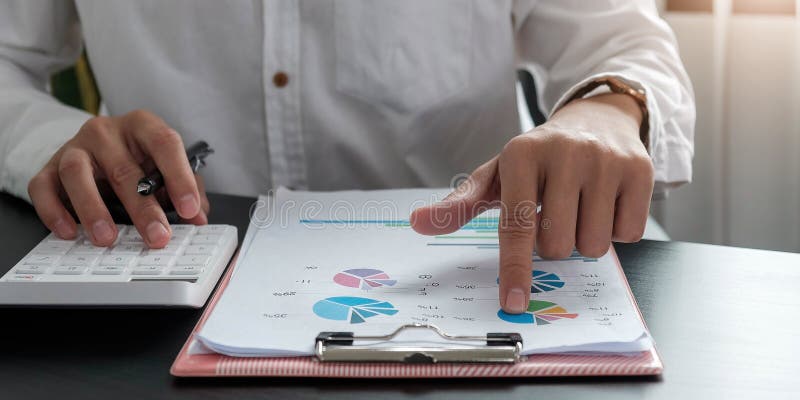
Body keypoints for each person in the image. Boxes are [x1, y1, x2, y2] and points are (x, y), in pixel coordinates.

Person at [0, 1, 694, 313]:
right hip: (165, 278)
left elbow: (625, 43)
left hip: (462, 281)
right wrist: (49, 137)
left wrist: (609, 106)